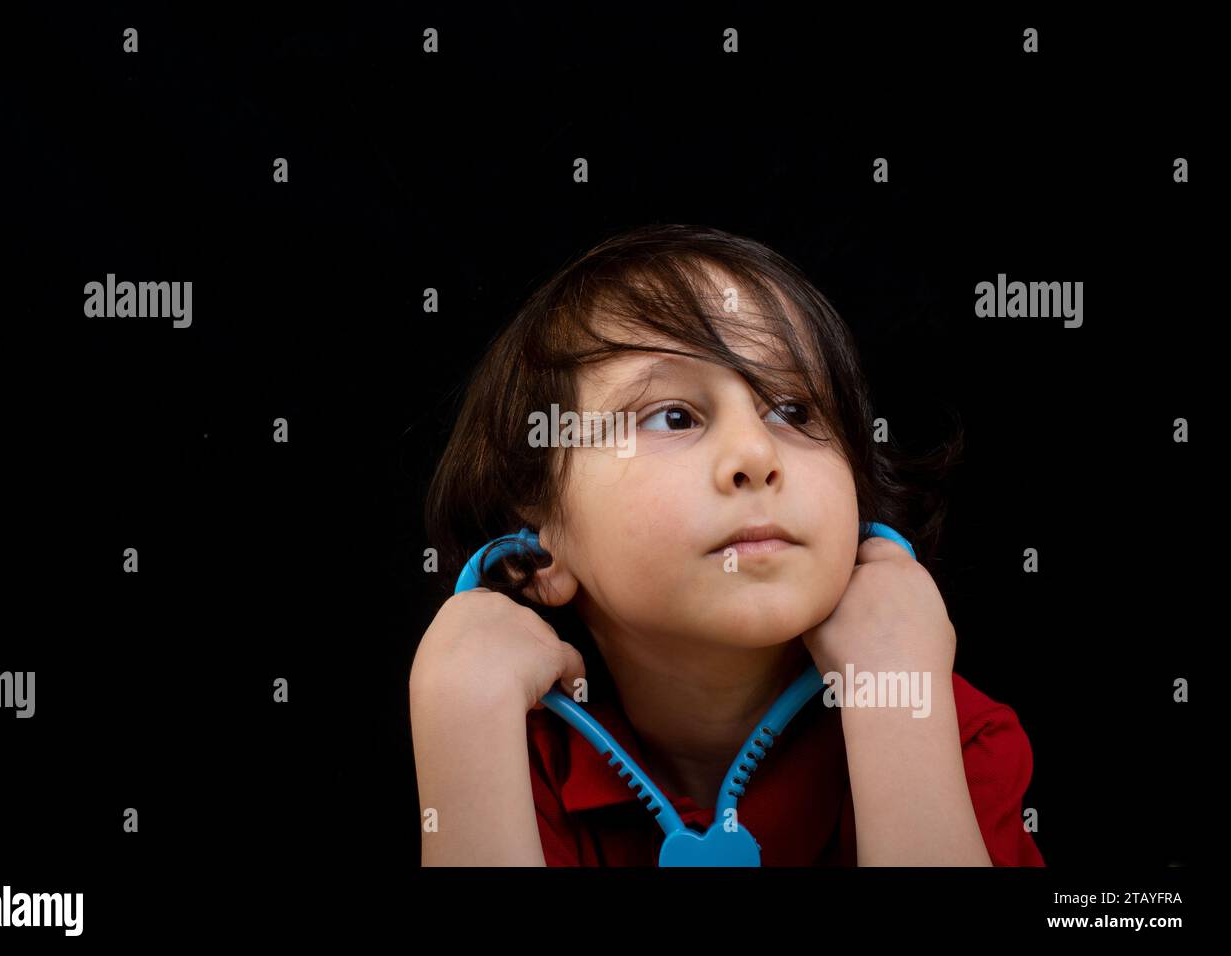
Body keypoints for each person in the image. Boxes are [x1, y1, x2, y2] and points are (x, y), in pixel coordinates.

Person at [410, 223, 1045, 867]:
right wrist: (463, 723)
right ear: (542, 548)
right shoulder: (509, 754)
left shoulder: (945, 729)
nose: (756, 454)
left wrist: (895, 699)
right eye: (675, 416)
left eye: (794, 411)